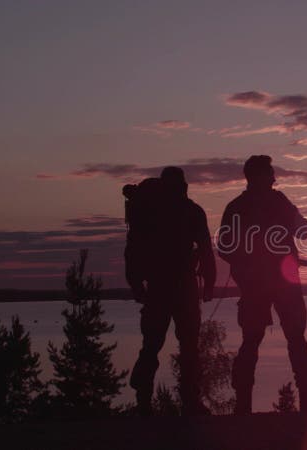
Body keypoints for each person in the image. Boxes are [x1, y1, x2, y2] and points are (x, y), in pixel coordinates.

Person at [217, 155, 307, 414]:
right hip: (281, 284)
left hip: (257, 286)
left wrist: (245, 264)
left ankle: (243, 405)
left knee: (252, 341)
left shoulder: (236, 206)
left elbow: (224, 249)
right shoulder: (278, 202)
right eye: (270, 173)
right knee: (295, 339)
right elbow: (304, 231)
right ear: (260, 176)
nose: (274, 178)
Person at [126, 166, 216, 416]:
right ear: (183, 184)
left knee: (156, 344)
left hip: (162, 286)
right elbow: (207, 250)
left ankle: (147, 402)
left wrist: (135, 283)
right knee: (184, 346)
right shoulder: (190, 210)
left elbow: (132, 250)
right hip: (177, 287)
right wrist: (209, 283)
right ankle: (186, 402)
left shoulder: (152, 211)